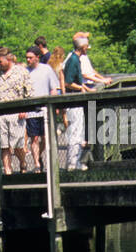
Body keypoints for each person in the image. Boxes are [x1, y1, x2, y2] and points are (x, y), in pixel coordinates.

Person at [0, 47, 30, 173]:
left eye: (0, 61)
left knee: (18, 145)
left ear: (8, 59)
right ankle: (8, 172)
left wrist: (25, 109)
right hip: (1, 115)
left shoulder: (22, 72)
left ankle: (23, 162)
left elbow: (29, 92)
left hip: (17, 114)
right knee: (4, 145)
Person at [25, 46, 60, 170]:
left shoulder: (46, 69)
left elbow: (54, 88)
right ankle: (36, 164)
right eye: (27, 58)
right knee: (34, 138)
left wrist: (55, 104)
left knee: (45, 137)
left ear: (37, 57)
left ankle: (39, 155)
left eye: (30, 58)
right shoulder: (25, 72)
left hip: (45, 109)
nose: (28, 60)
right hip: (31, 110)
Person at [62, 36, 89, 169]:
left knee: (78, 132)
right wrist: (81, 88)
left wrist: (84, 88)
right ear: (82, 47)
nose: (87, 49)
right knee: (75, 132)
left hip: (76, 101)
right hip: (73, 101)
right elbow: (68, 82)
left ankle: (75, 161)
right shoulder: (73, 60)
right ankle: (72, 163)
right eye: (86, 47)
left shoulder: (75, 58)